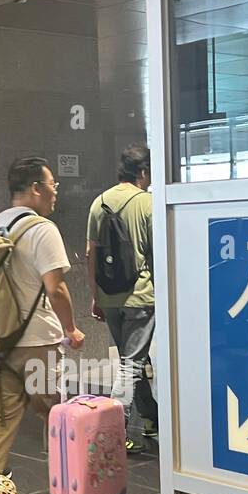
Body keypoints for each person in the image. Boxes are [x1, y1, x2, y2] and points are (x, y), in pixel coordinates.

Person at [0, 157, 85, 475]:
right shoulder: (42, 229)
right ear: (36, 189)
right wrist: (71, 329)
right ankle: (68, 485)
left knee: (0, 417)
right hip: (38, 342)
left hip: (0, 341)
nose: (55, 193)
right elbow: (56, 288)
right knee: (54, 415)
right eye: (52, 185)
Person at [87, 144, 158, 453]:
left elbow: (91, 255)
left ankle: (151, 417)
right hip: (141, 296)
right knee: (131, 364)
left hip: (110, 297)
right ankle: (111, 433)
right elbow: (159, 255)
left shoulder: (98, 202)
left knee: (134, 359)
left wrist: (95, 296)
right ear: (143, 172)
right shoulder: (148, 203)